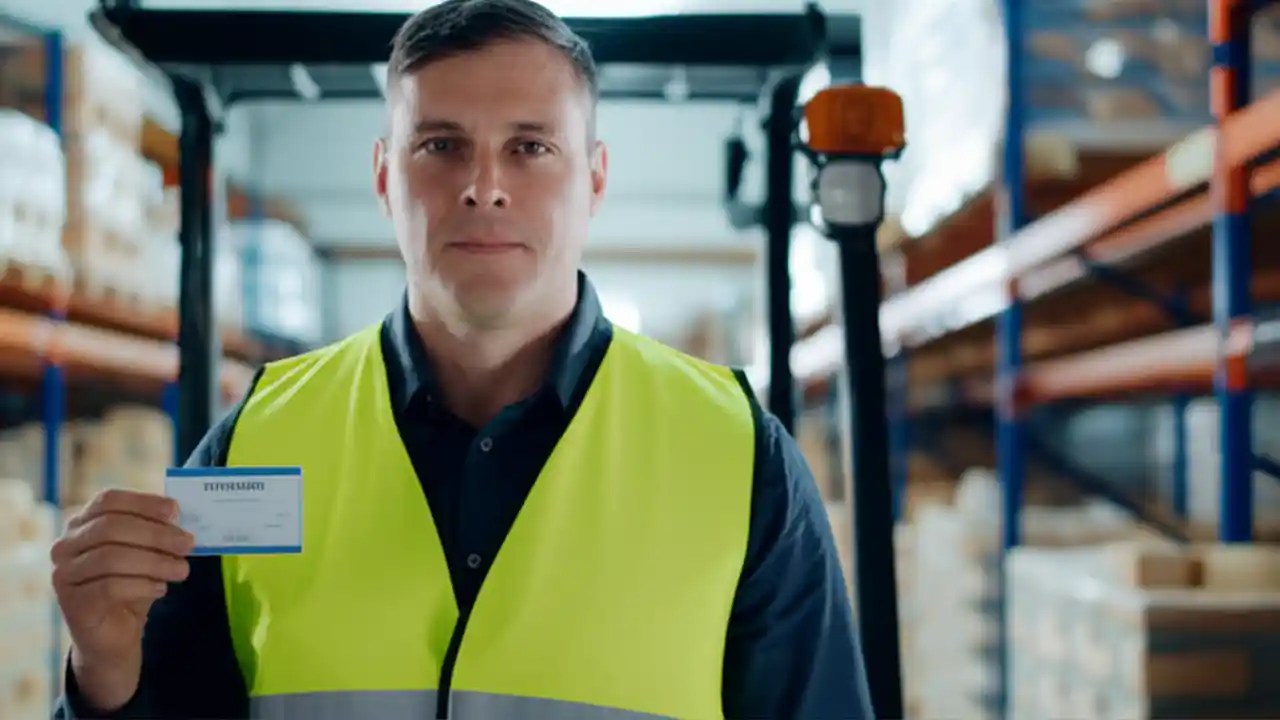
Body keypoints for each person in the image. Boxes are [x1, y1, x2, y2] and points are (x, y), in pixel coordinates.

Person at [51, 1, 874, 718]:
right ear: (385, 178)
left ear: (594, 180)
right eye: (441, 145)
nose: (484, 185)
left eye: (530, 147)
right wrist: (105, 672)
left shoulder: (736, 457)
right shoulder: (258, 441)